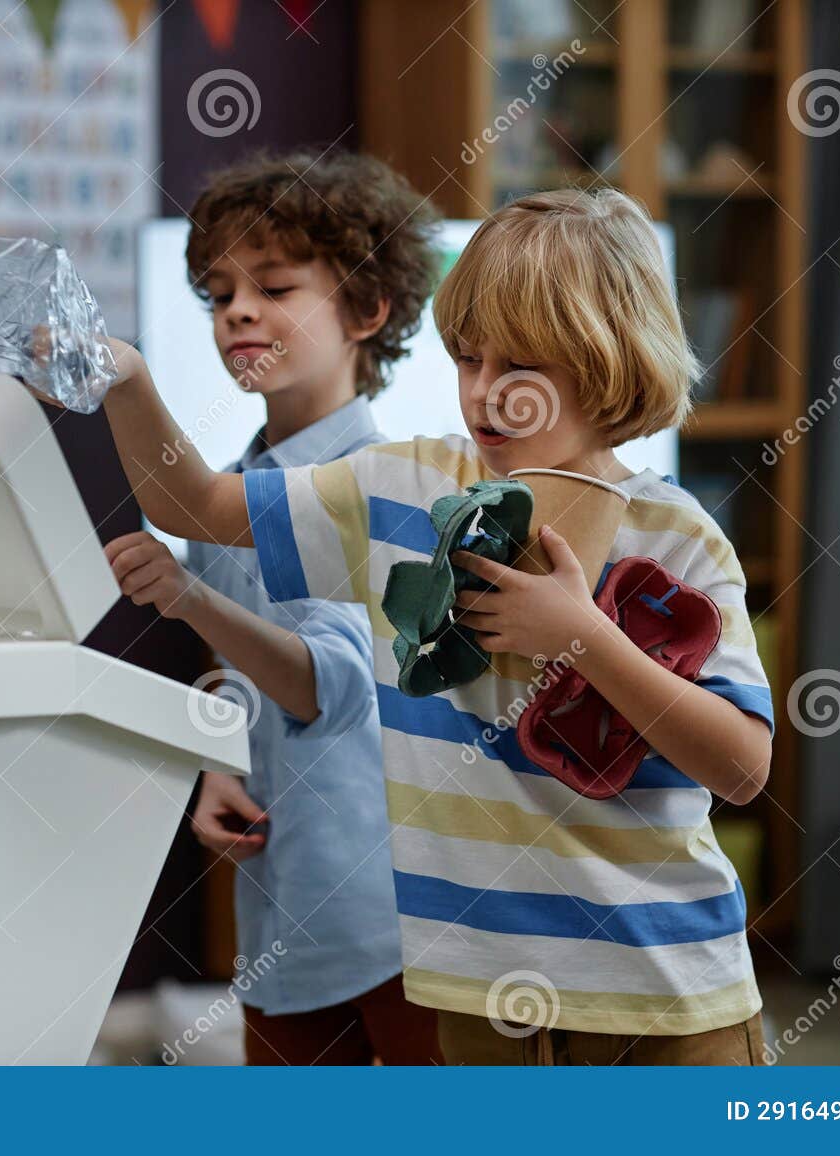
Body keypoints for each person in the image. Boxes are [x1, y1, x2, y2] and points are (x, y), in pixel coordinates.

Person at [98, 187, 774, 1065]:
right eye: (467, 358)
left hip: (667, 1002)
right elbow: (190, 504)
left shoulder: (679, 536)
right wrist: (125, 376)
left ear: (609, 360)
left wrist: (580, 636)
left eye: (521, 365)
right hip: (480, 1002)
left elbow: (743, 767)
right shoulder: (401, 490)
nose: (485, 394)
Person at [104, 152, 442, 1065]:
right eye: (218, 295)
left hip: (396, 914)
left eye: (275, 287)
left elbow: (327, 687)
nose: (238, 312)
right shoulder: (235, 489)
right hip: (285, 907)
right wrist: (221, 765)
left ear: (368, 311)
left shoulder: (385, 488)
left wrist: (185, 597)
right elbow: (237, 676)